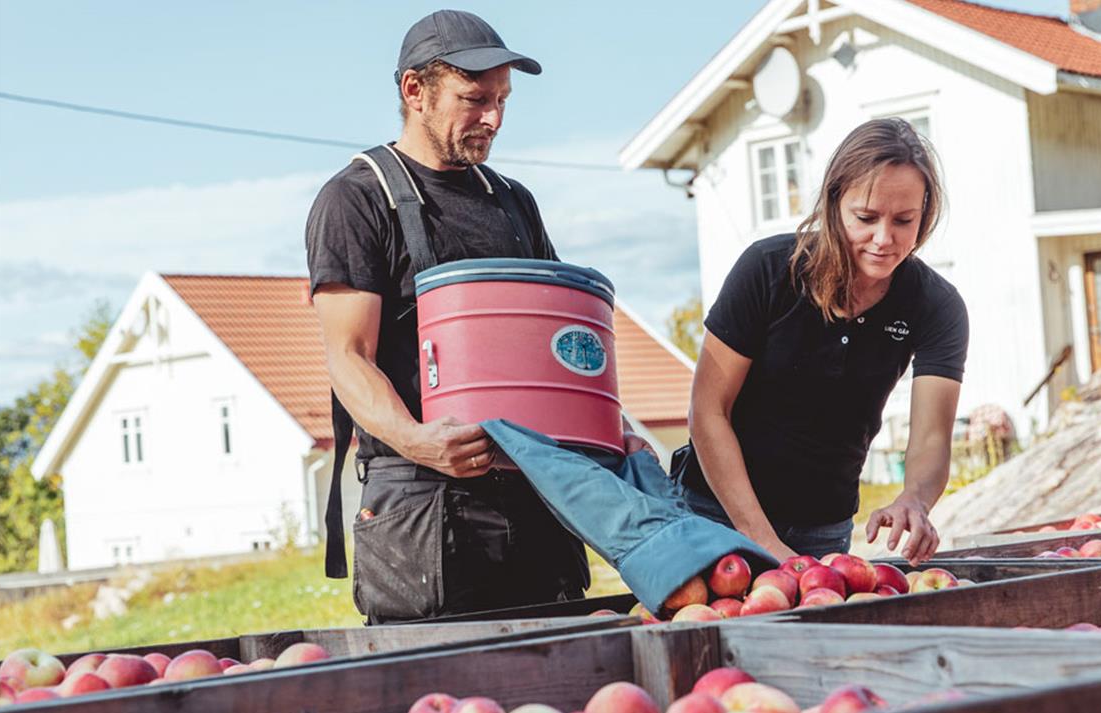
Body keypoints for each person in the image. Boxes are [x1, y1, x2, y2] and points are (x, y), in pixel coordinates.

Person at [305, 10, 649, 623]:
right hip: (422, 504)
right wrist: (419, 442)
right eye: (474, 98)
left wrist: (608, 425)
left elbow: (556, 340)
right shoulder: (358, 199)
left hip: (534, 493)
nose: (492, 117)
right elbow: (348, 357)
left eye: (502, 99)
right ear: (415, 91)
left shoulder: (513, 202)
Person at [677, 118, 968, 566]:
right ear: (835, 204)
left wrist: (915, 499)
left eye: (904, 220)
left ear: (925, 213)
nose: (884, 239)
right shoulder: (767, 270)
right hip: (714, 517)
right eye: (866, 218)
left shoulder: (936, 305)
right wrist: (765, 543)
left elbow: (931, 435)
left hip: (823, 529)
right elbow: (708, 410)